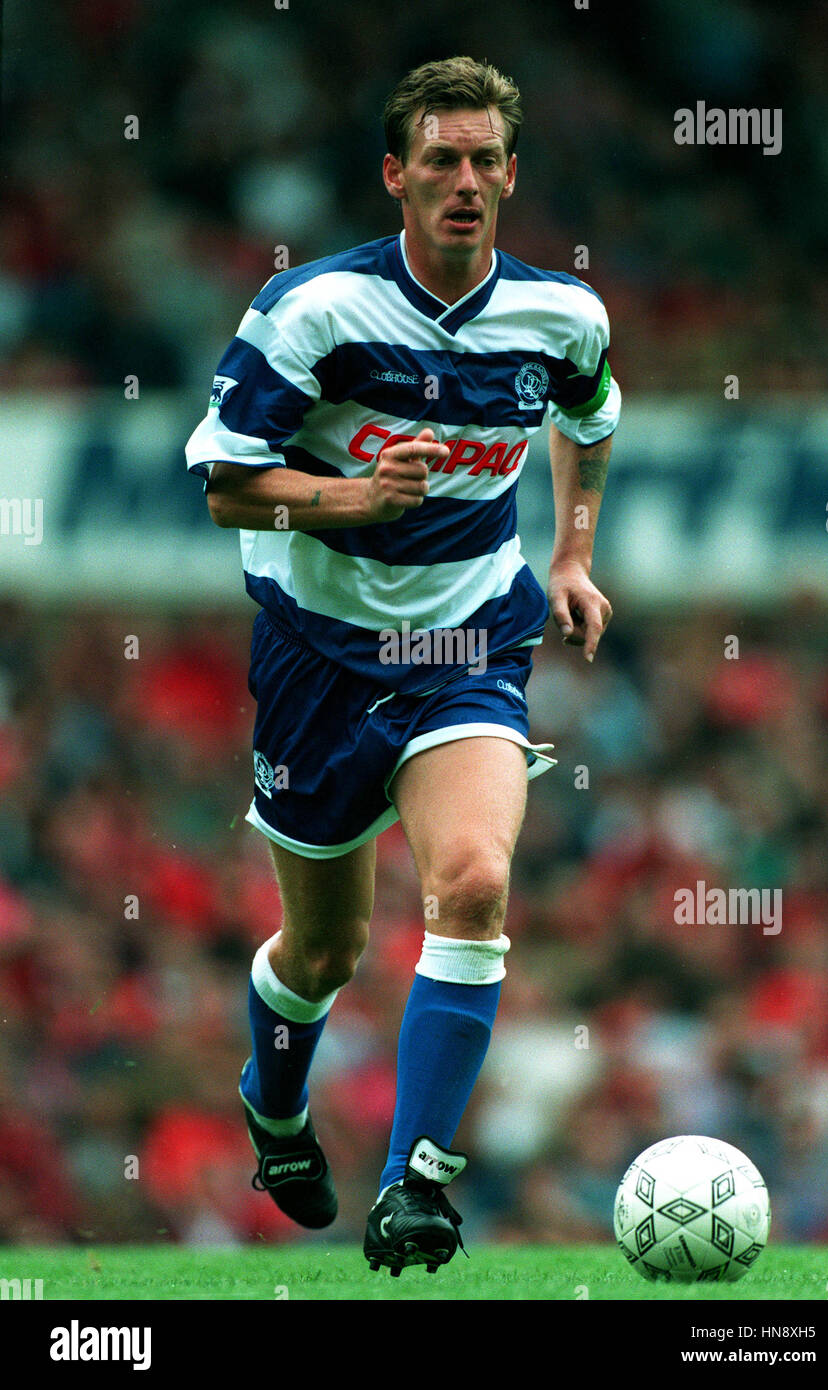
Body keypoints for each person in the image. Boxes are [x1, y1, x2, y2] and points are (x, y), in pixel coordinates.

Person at [185, 54, 620, 1276]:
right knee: (321, 952)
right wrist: (351, 496)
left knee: (474, 883)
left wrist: (574, 555)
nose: (466, 180)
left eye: (486, 159)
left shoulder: (562, 314)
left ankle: (415, 1184)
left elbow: (590, 415)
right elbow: (226, 492)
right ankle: (274, 1112)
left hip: (469, 643)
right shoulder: (312, 312)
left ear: (511, 175)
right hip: (318, 660)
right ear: (397, 176)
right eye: (441, 159)